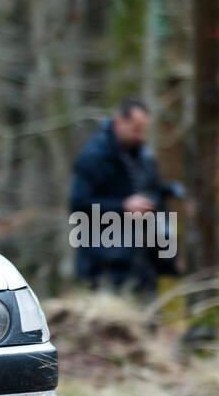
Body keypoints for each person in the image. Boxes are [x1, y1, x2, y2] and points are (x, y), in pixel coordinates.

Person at [68, 98, 168, 294]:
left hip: (143, 261)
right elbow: (78, 204)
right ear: (119, 121)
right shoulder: (93, 156)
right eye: (135, 128)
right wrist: (123, 207)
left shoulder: (144, 157)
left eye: (143, 129)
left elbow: (155, 195)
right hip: (104, 263)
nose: (139, 135)